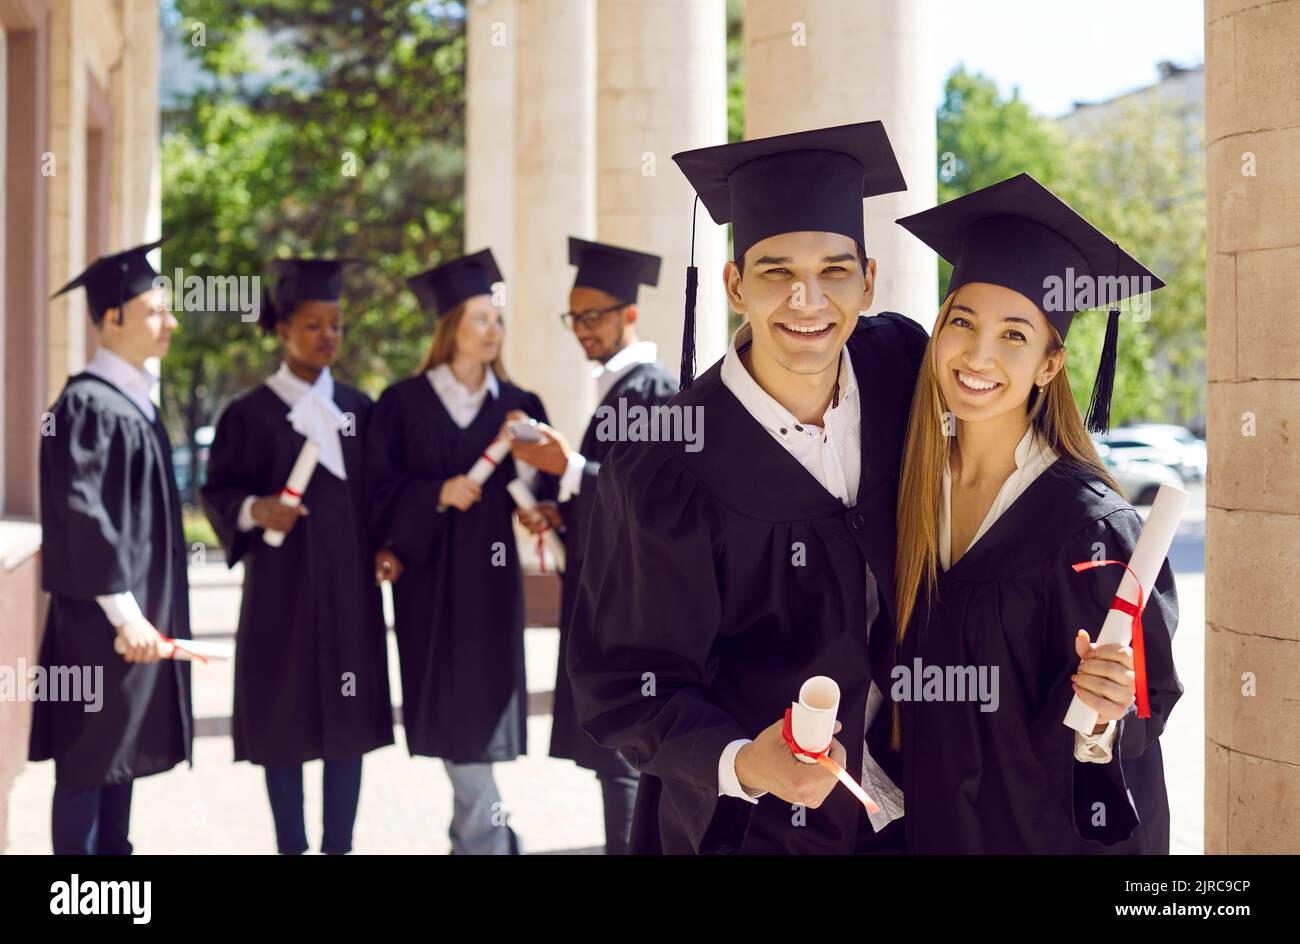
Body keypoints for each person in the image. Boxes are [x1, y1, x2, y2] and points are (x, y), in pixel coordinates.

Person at [565, 121, 928, 854]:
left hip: (915, 805)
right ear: (734, 285)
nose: (808, 299)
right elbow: (624, 682)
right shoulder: (663, 462)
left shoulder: (901, 368)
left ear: (868, 279)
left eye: (834, 270)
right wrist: (740, 763)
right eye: (774, 271)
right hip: (751, 825)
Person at [891, 173, 1182, 853]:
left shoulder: (1090, 529)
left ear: (1051, 364)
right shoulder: (908, 493)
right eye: (961, 322)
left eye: (1015, 336)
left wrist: (1106, 715)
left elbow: (1138, 719)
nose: (978, 355)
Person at [200, 258, 394, 855]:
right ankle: (291, 847)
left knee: (348, 726)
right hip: (279, 594)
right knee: (281, 722)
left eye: (336, 324)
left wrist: (391, 546)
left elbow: (384, 497)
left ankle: (340, 847)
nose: (329, 335)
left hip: (349, 596)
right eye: (314, 325)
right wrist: (257, 509)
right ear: (282, 330)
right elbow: (219, 492)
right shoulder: (248, 414)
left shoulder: (360, 411)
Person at [368, 249, 554, 855]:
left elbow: (542, 485)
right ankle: (486, 837)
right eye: (479, 317)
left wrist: (535, 500)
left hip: (491, 578)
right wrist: (436, 492)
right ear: (449, 326)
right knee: (447, 712)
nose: (492, 329)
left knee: (478, 716)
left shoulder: (518, 407)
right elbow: (378, 487)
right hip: (428, 580)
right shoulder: (401, 404)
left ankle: (483, 840)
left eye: (496, 318)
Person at [509, 237, 677, 854]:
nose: (582, 329)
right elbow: (613, 502)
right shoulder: (617, 389)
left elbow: (656, 504)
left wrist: (570, 467)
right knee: (615, 761)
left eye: (594, 316)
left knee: (626, 763)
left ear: (630, 313)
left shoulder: (653, 390)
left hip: (633, 610)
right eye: (574, 318)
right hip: (609, 599)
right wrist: (562, 506)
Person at [32, 239, 192, 854]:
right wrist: (127, 616)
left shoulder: (135, 404)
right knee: (87, 769)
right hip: (101, 626)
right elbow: (82, 517)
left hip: (133, 628)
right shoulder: (86, 406)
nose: (169, 322)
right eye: (155, 310)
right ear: (113, 317)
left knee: (116, 768)